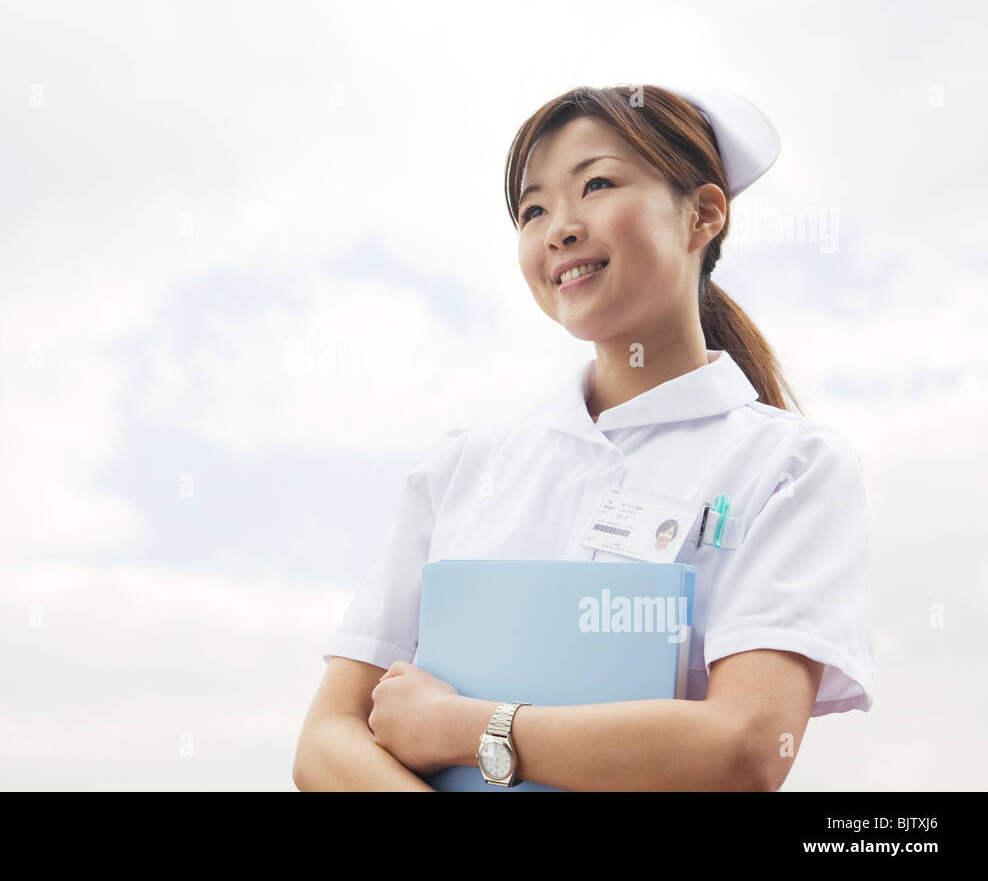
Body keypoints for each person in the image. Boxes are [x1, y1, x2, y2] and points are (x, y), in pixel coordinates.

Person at [292, 84, 875, 792]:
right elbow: (327, 739)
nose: (557, 228)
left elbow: (745, 748)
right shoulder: (462, 469)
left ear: (704, 214)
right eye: (533, 209)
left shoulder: (790, 467)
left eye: (595, 184)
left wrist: (461, 726)